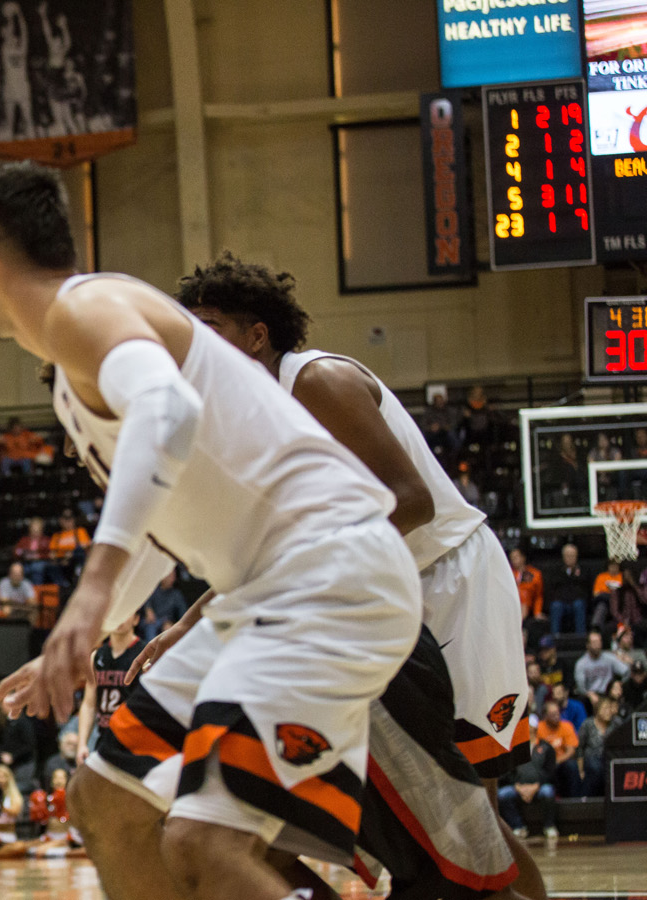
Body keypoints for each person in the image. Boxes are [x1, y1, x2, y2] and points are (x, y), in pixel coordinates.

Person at [0, 164, 423, 900]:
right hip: (267, 593)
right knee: (104, 800)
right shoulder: (73, 364)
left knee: (205, 842)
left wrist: (90, 593)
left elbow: (169, 415)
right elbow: (155, 523)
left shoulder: (88, 309)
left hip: (327, 573)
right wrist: (93, 627)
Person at [176, 253, 539, 894]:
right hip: (379, 593)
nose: (194, 341)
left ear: (257, 334)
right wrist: (188, 620)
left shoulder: (315, 381)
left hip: (448, 580)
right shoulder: (248, 422)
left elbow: (410, 500)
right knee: (413, 814)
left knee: (465, 814)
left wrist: (300, 570)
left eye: (210, 324)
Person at [75, 614, 144, 764]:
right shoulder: (97, 656)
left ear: (136, 619)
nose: (120, 617)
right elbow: (89, 704)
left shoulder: (145, 654)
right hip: (104, 740)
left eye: (127, 612)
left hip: (133, 743)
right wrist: (82, 744)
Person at [497, 759, 558, 844]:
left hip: (539, 786)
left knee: (548, 791)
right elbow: (505, 776)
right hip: (517, 787)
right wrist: (518, 787)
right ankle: (518, 827)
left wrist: (536, 786)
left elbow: (550, 773)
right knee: (502, 794)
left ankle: (549, 826)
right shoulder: (511, 753)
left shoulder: (543, 749)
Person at [575, 629, 630, 710]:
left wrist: (620, 684)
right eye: (594, 642)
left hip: (608, 694)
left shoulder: (609, 658)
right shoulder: (581, 663)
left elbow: (626, 671)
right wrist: (589, 694)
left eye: (599, 642)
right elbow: (580, 688)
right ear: (588, 645)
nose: (597, 645)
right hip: (591, 697)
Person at [511, 548, 544, 621]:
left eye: (516, 557)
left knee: (523, 606)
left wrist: (537, 612)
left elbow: (538, 596)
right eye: (512, 558)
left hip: (527, 604)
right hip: (511, 604)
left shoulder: (535, 574)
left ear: (523, 558)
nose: (514, 560)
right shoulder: (508, 574)